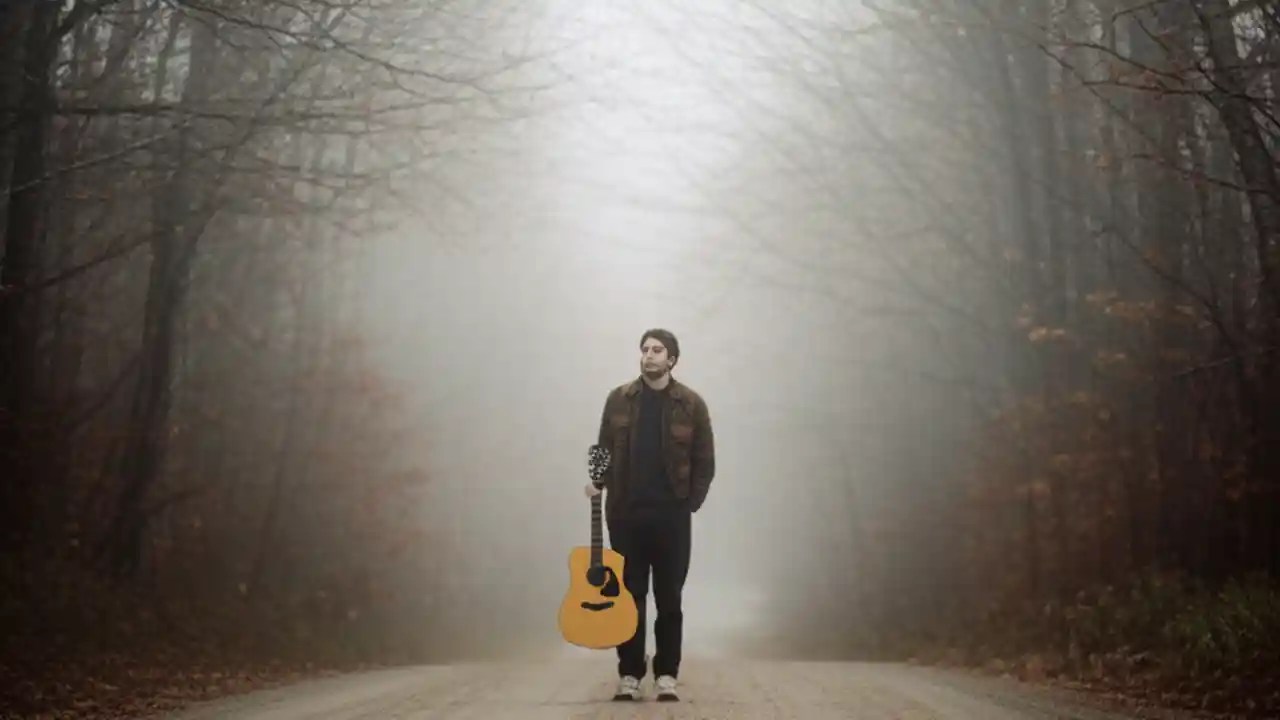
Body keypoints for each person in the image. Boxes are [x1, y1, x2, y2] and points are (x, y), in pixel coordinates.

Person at [584, 328, 716, 702]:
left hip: (672, 518)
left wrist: (690, 503)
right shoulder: (619, 400)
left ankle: (667, 674)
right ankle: (629, 674)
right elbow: (603, 448)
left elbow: (705, 460)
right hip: (625, 515)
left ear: (672, 359)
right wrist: (597, 483)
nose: (649, 355)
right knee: (628, 596)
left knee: (669, 597)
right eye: (645, 349)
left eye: (658, 350)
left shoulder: (691, 404)